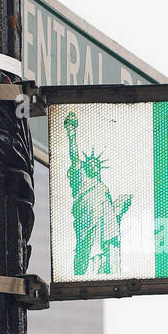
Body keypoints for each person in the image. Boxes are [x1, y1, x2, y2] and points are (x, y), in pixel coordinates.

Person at [64, 111, 131, 275]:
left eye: (97, 164)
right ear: (86, 167)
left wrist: (119, 207)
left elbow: (111, 216)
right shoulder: (81, 180)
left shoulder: (103, 189)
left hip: (103, 228)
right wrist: (71, 132)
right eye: (91, 163)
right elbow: (74, 158)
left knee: (102, 252)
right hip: (86, 221)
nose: (94, 166)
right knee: (86, 250)